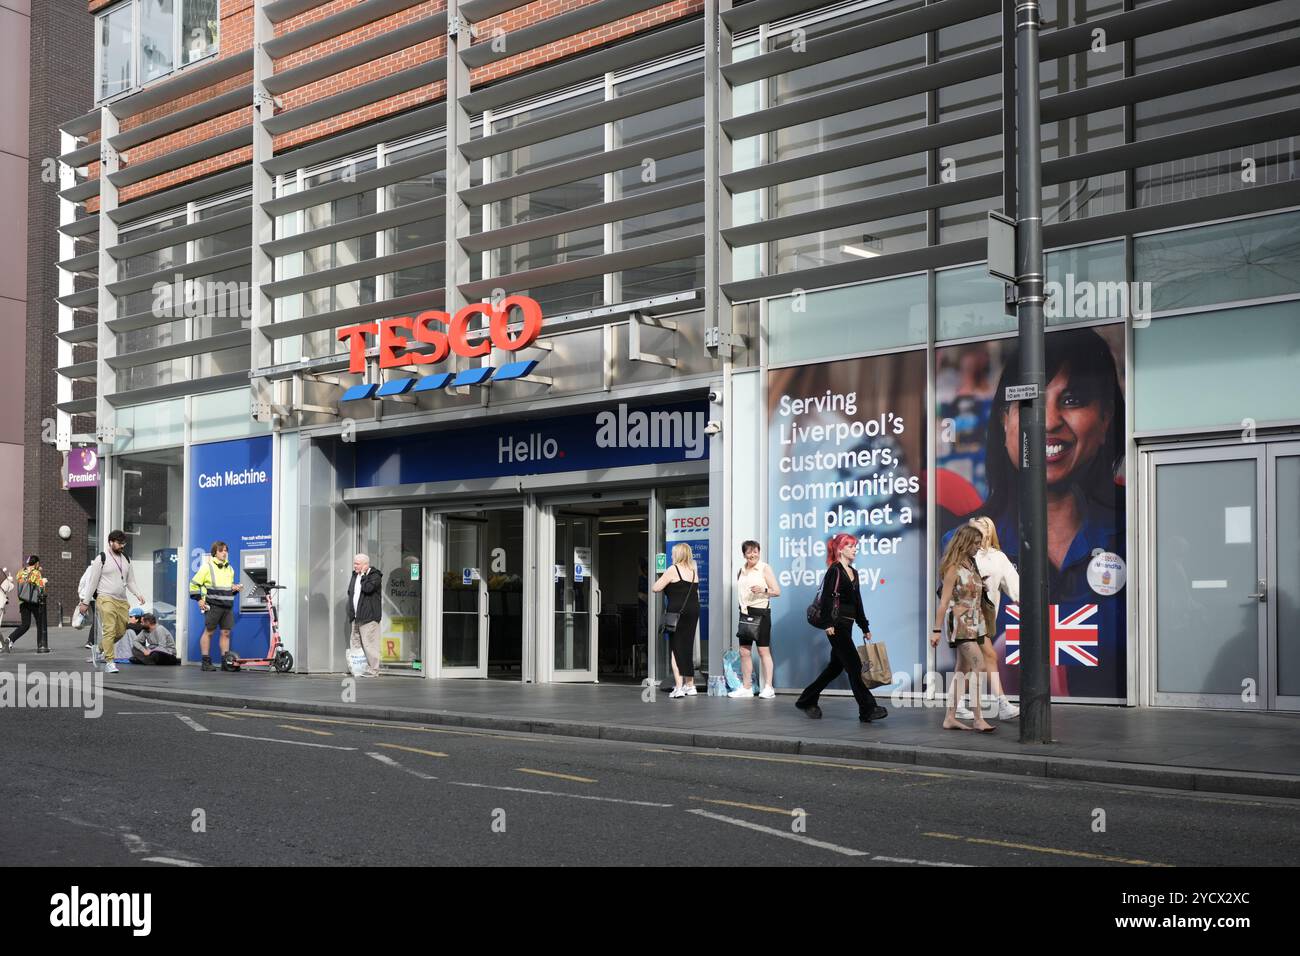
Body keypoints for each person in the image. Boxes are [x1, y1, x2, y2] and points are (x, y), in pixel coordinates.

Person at [941, 327, 1126, 699]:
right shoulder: (967, 543)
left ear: (1106, 420)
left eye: (1072, 400)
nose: (1049, 420)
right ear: (1004, 421)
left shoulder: (1136, 528)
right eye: (1031, 402)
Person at [795, 534, 888, 723]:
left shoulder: (854, 572)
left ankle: (806, 699)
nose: (855, 549)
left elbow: (857, 602)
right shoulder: (835, 570)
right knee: (854, 666)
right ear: (840, 549)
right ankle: (867, 708)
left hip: (848, 625)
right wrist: (828, 623)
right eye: (851, 546)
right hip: (836, 627)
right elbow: (828, 598)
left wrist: (864, 626)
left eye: (855, 546)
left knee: (835, 668)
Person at [954, 516, 1020, 720]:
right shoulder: (962, 556)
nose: (978, 535)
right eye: (973, 530)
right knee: (990, 656)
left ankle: (955, 707)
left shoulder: (998, 557)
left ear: (990, 533)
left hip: (984, 617)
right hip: (966, 616)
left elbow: (1014, 585)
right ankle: (1002, 704)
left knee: (964, 665)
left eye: (982, 531)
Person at [932, 524, 995, 732]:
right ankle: (978, 718)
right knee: (980, 666)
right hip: (961, 624)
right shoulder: (953, 567)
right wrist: (936, 630)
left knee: (962, 670)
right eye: (976, 543)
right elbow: (944, 601)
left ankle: (950, 717)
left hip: (976, 623)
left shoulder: (971, 564)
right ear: (965, 542)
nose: (978, 547)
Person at [78, 531, 146, 675]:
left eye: (124, 543)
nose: (122, 546)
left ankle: (98, 648)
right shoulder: (101, 558)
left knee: (120, 632)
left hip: (122, 601)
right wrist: (85, 602)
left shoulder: (126, 559)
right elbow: (92, 583)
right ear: (111, 542)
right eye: (119, 543)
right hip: (105, 598)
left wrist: (138, 593)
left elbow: (130, 581)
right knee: (109, 630)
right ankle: (110, 662)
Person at [730, 540, 781, 699]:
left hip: (761, 612)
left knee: (762, 650)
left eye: (755, 551)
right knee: (744, 651)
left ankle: (768, 687)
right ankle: (747, 688)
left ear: (759, 552)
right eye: (749, 552)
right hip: (745, 613)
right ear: (744, 554)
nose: (752, 555)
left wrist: (763, 590)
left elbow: (777, 591)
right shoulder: (741, 570)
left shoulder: (764, 568)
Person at [651, 543, 701, 699]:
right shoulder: (693, 571)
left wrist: (663, 576)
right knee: (687, 646)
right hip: (693, 611)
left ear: (678, 555)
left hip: (676, 613)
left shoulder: (673, 569)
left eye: (673, 554)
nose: (671, 556)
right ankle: (690, 685)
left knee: (676, 648)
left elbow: (655, 588)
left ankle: (679, 687)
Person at [189, 541, 243, 672]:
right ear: (215, 552)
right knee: (209, 632)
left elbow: (226, 588)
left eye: (226, 550)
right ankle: (205, 662)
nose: (224, 553)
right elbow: (194, 584)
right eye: (221, 550)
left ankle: (226, 663)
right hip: (212, 605)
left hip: (227, 605)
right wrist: (199, 600)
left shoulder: (230, 569)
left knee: (226, 633)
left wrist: (234, 589)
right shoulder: (207, 567)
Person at [346, 553, 383, 677]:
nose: (354, 566)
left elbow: (367, 588)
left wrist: (362, 575)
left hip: (369, 617)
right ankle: (359, 668)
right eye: (354, 563)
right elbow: (350, 591)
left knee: (369, 644)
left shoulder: (375, 575)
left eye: (357, 563)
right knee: (355, 642)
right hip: (356, 616)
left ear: (365, 565)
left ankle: (374, 669)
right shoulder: (354, 575)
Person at [4, 556, 50, 653]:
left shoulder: (21, 571)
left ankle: (10, 639)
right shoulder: (36, 573)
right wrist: (44, 581)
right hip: (33, 601)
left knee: (25, 625)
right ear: (37, 563)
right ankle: (41, 645)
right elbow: (40, 587)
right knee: (40, 623)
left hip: (22, 601)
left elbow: (21, 581)